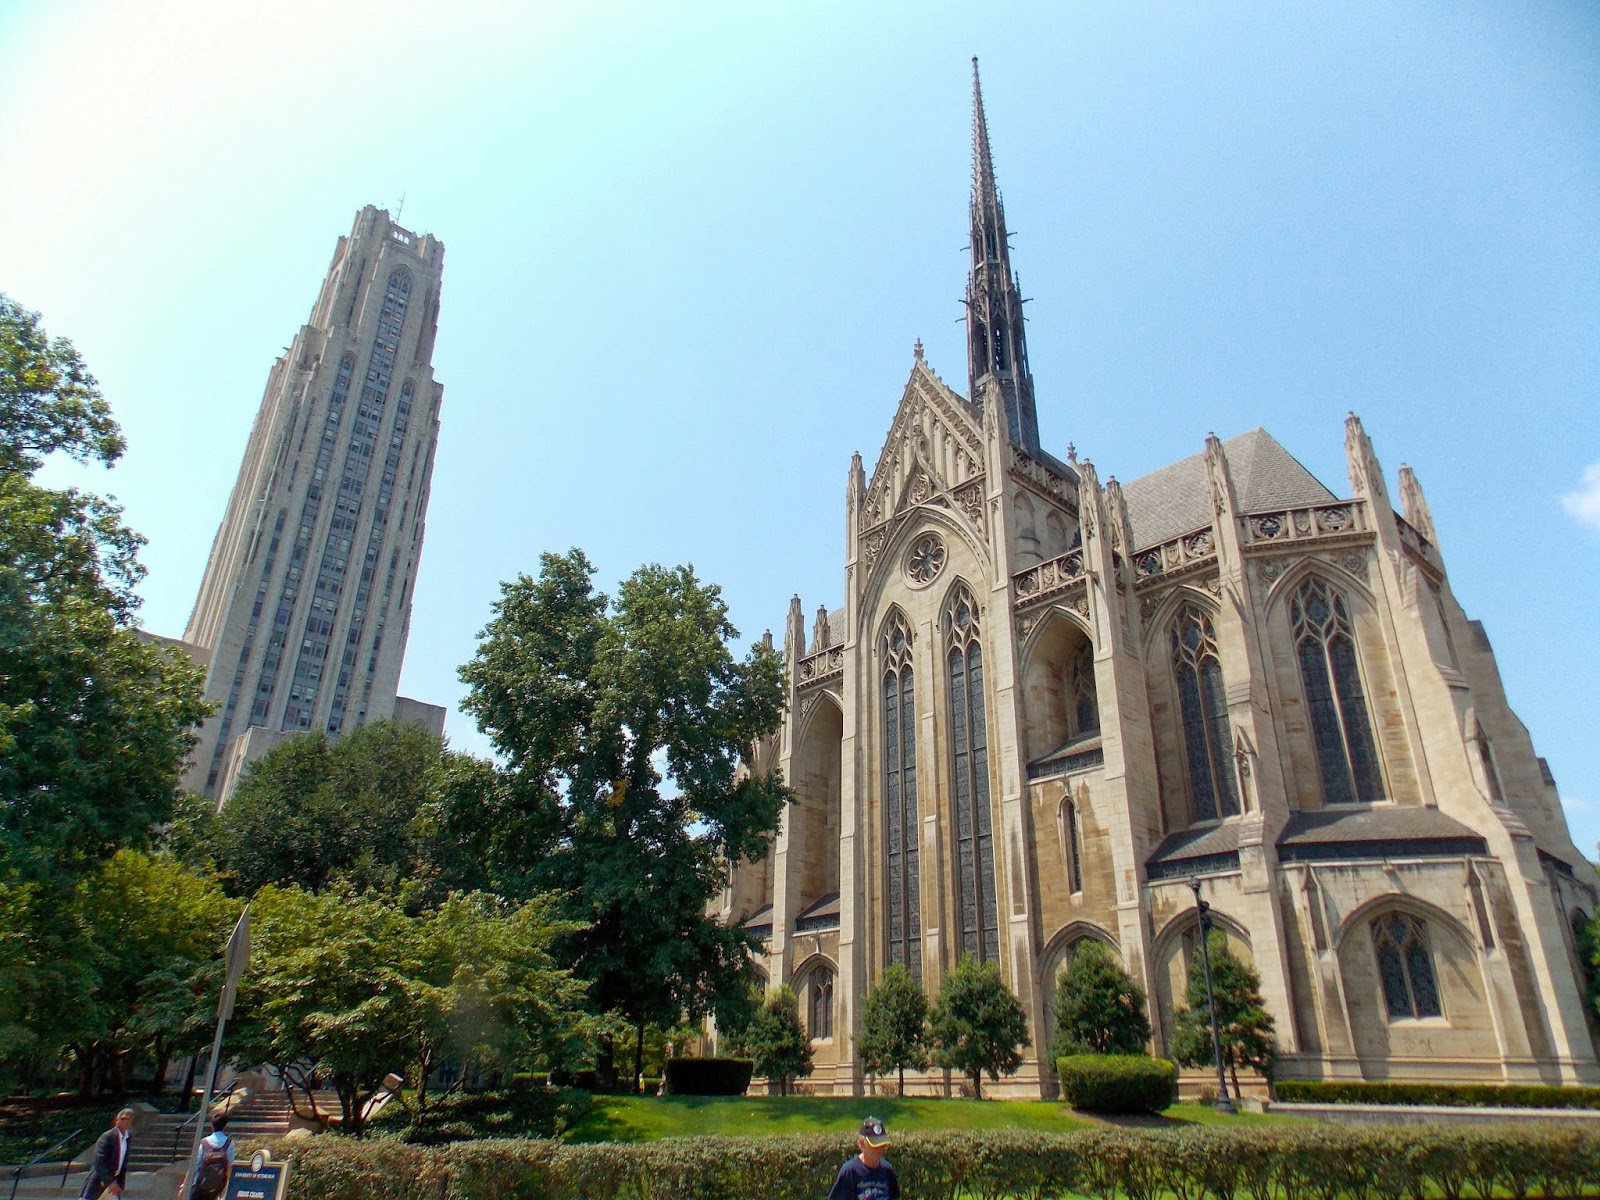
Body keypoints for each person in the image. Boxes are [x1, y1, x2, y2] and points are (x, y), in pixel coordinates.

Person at [827, 1116, 900, 1200]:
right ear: (861, 1143)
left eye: (882, 1145)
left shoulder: (887, 1170)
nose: (879, 1150)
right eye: (875, 1146)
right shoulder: (850, 1171)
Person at [176, 1114, 235, 1200]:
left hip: (200, 1185)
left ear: (212, 1125)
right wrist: (224, 1188)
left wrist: (185, 1185)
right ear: (225, 1125)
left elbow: (195, 1165)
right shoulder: (229, 1143)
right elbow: (229, 1167)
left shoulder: (204, 1142)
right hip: (217, 1186)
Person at [80, 1109, 134, 1200]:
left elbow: (123, 1163)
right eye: (123, 1119)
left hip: (114, 1182)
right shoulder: (107, 1136)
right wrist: (109, 1182)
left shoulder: (128, 1137)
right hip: (99, 1180)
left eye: (128, 1119)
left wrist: (120, 1183)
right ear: (117, 1121)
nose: (125, 1121)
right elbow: (99, 1161)